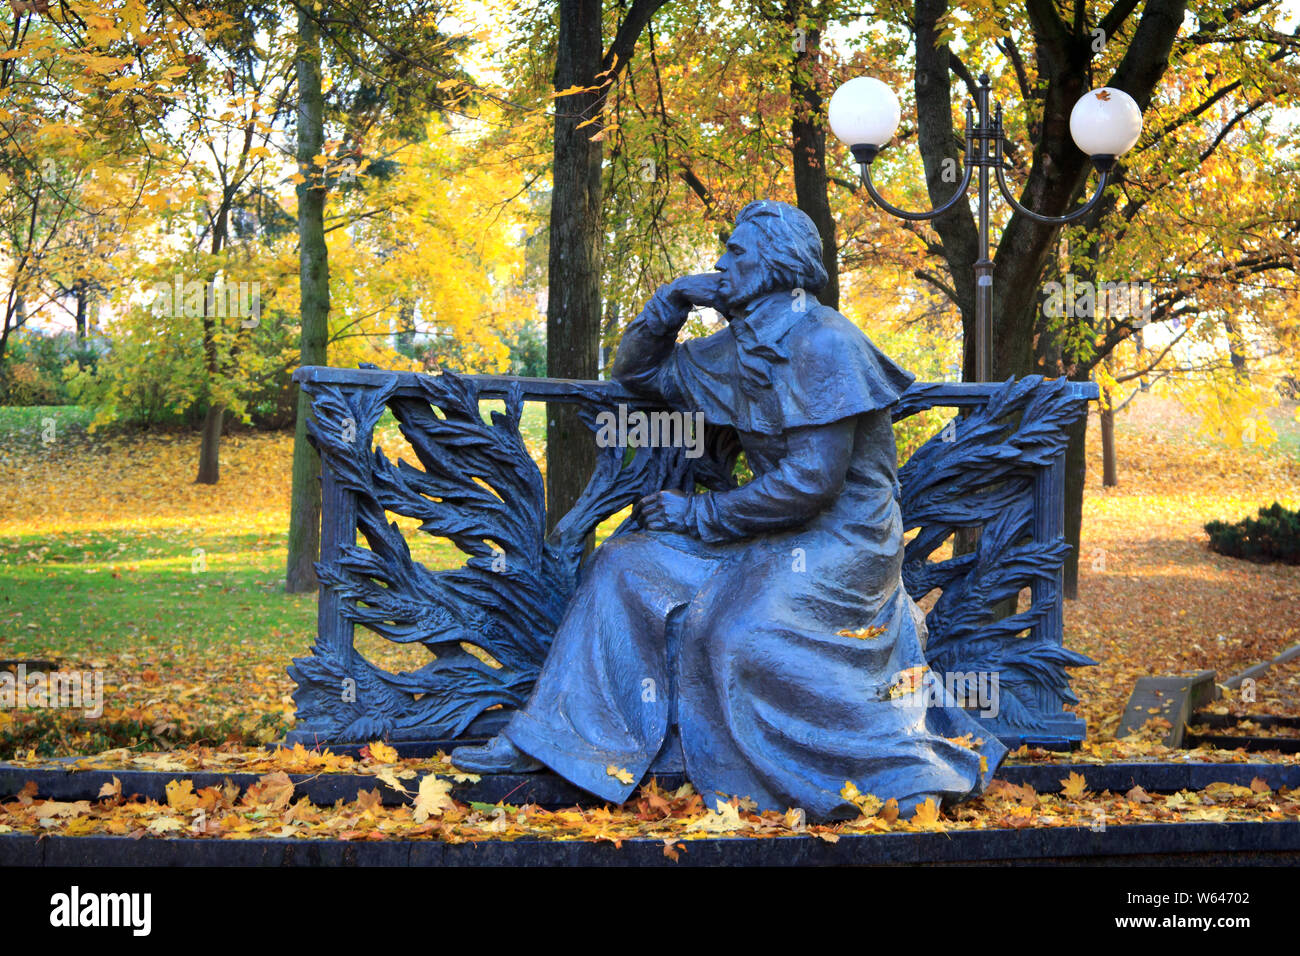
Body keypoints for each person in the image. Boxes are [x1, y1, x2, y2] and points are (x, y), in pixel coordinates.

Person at [452, 200, 1004, 820]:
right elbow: (637, 373)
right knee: (625, 564)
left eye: (737, 251)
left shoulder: (825, 340)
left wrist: (699, 517)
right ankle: (563, 745)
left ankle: (836, 775)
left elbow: (811, 484)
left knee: (739, 633)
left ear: (775, 266)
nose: (722, 261)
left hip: (843, 538)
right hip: (764, 527)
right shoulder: (737, 346)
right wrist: (670, 303)